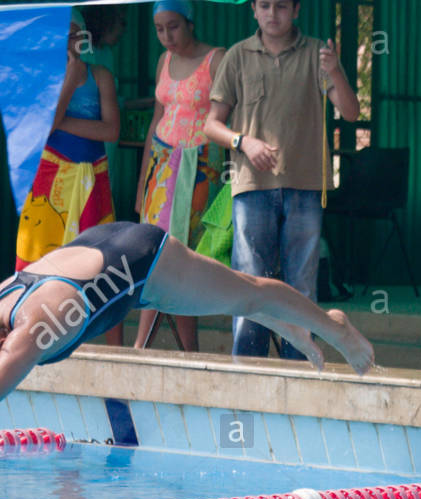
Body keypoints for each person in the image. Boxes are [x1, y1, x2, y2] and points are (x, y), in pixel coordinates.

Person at [0, 222, 375, 402]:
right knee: (236, 296)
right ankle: (291, 328)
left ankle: (334, 326)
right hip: (100, 245)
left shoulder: (34, 330)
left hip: (146, 265)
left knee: (250, 294)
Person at [204, 0, 360, 362]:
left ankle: (299, 370)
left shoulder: (318, 55)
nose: (273, 13)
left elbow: (351, 113)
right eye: (265, 5)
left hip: (305, 186)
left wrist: (335, 71)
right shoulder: (238, 56)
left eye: (281, 6)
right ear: (254, 10)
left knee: (301, 286)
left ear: (297, 10)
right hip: (251, 185)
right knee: (249, 283)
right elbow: (211, 124)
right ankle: (249, 370)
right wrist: (244, 141)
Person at [133, 0, 225, 353]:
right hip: (161, 166)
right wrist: (144, 183)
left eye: (173, 26)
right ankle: (162, 347)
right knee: (154, 254)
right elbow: (157, 119)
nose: (166, 36)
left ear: (190, 23)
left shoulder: (216, 59)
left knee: (180, 258)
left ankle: (161, 347)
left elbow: (233, 114)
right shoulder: (164, 61)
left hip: (200, 168)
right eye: (159, 29)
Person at [15, 13, 120, 272]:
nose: (65, 42)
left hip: (92, 175)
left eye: (72, 35)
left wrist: (57, 121)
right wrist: (70, 82)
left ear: (82, 38)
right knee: (42, 251)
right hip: (51, 176)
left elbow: (111, 131)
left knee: (92, 254)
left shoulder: (100, 76)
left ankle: (86, 310)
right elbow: (41, 130)